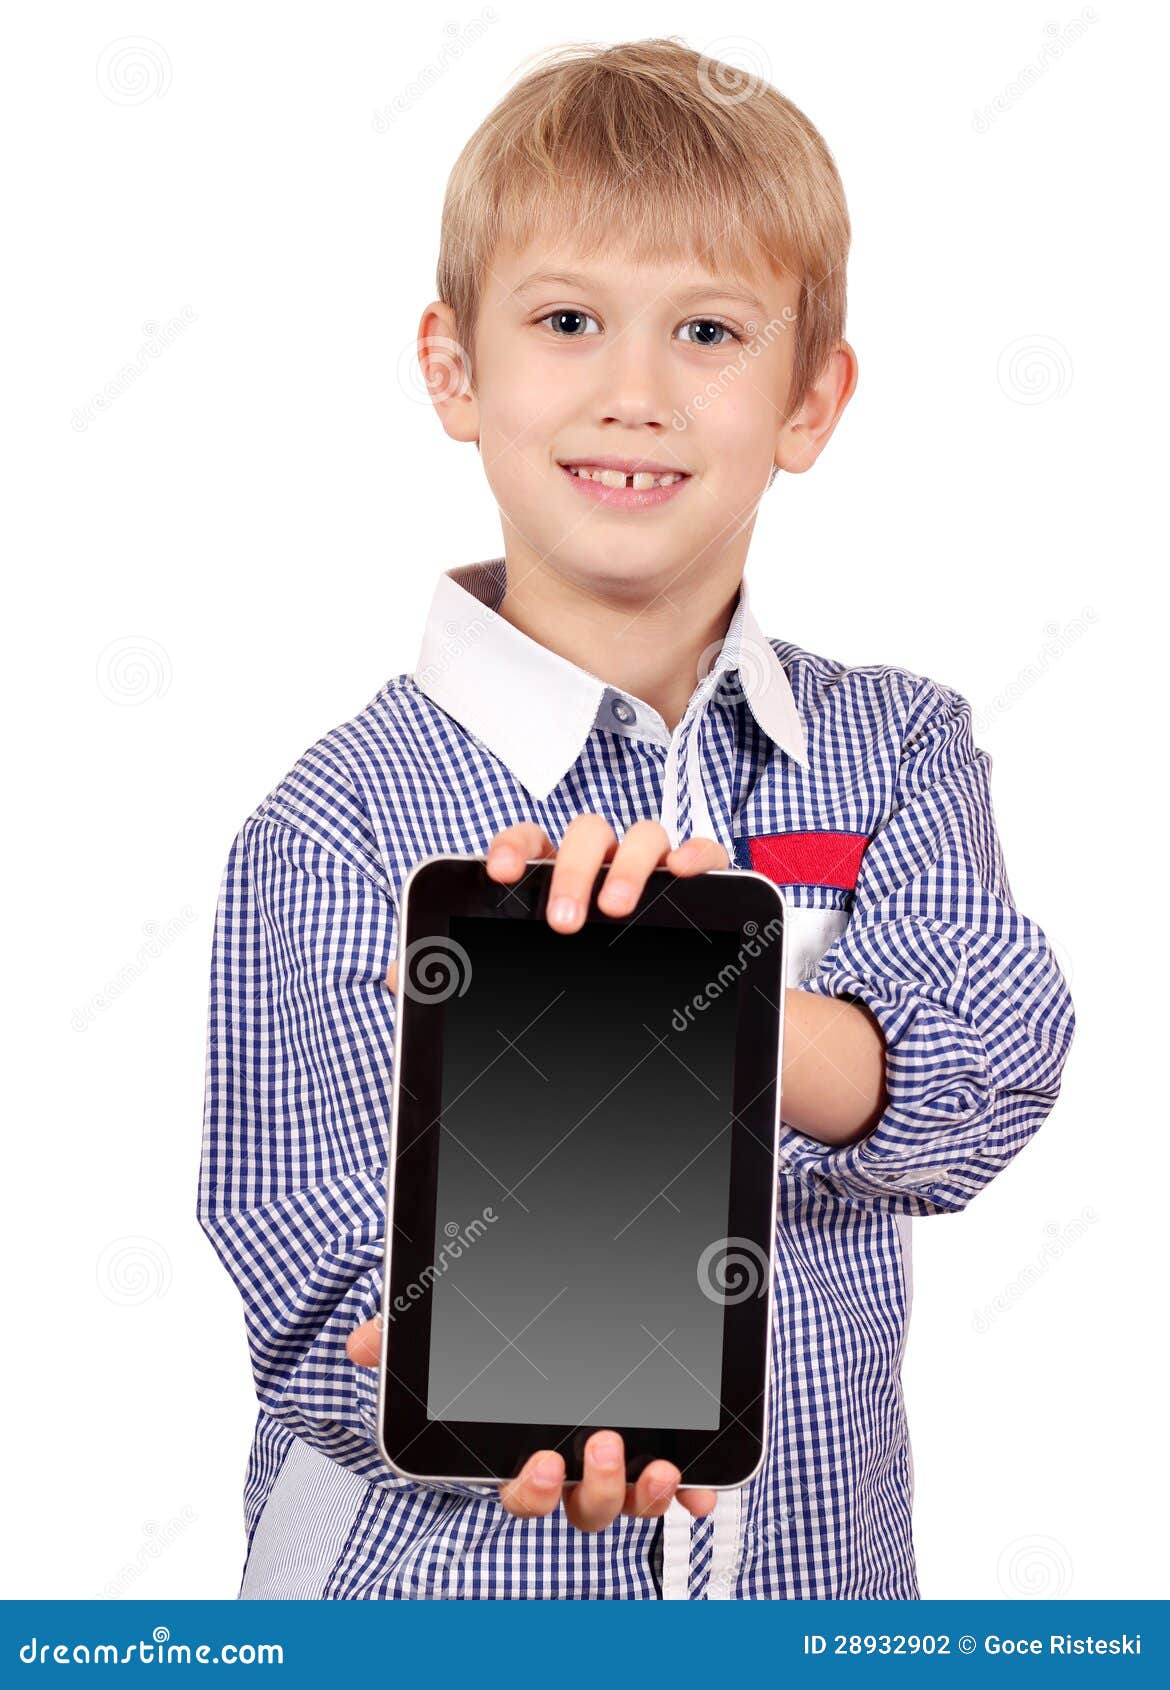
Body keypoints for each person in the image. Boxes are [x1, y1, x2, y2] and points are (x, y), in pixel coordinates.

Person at [198, 36, 1075, 1600]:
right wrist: (452, 1386)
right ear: (453, 370)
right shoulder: (332, 825)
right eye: (565, 321)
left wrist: (718, 1000)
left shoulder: (893, 750)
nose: (633, 390)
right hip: (435, 1601)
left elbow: (989, 1069)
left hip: (811, 1595)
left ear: (811, 399)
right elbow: (307, 1273)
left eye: (709, 330)